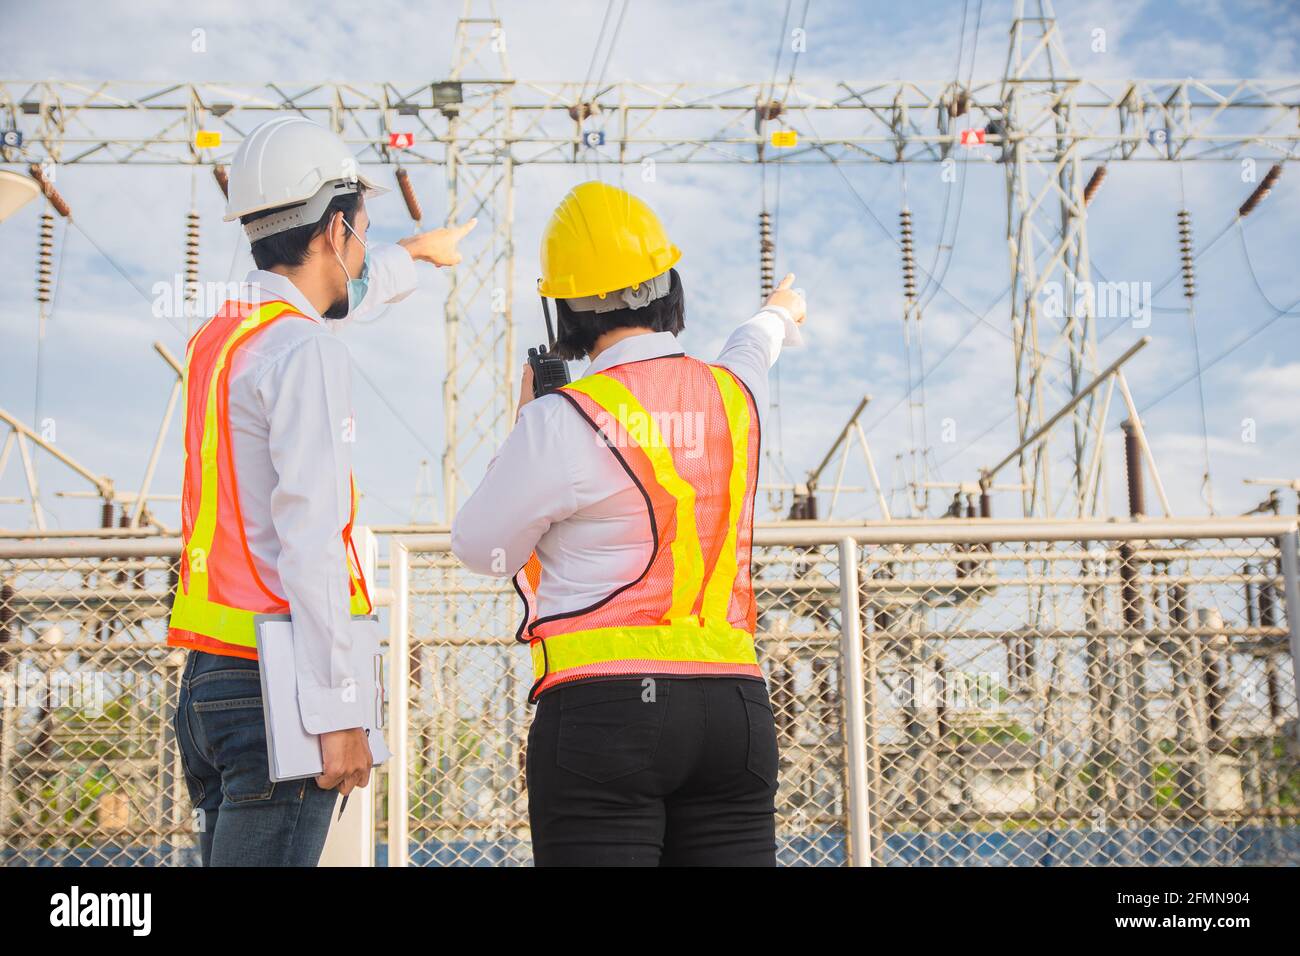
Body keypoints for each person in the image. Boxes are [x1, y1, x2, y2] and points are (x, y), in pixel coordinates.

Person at [452, 180, 806, 866]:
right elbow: (752, 347)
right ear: (669, 288)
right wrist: (779, 313)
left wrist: (526, 421)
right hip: (733, 707)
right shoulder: (737, 395)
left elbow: (480, 547)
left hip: (604, 714)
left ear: (564, 314)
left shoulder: (563, 418)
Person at [167, 116, 475, 866]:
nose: (363, 251)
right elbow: (311, 536)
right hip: (277, 685)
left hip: (212, 684)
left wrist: (412, 257)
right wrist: (339, 707)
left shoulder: (228, 333)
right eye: (363, 233)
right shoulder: (303, 351)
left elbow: (344, 297)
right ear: (336, 230)